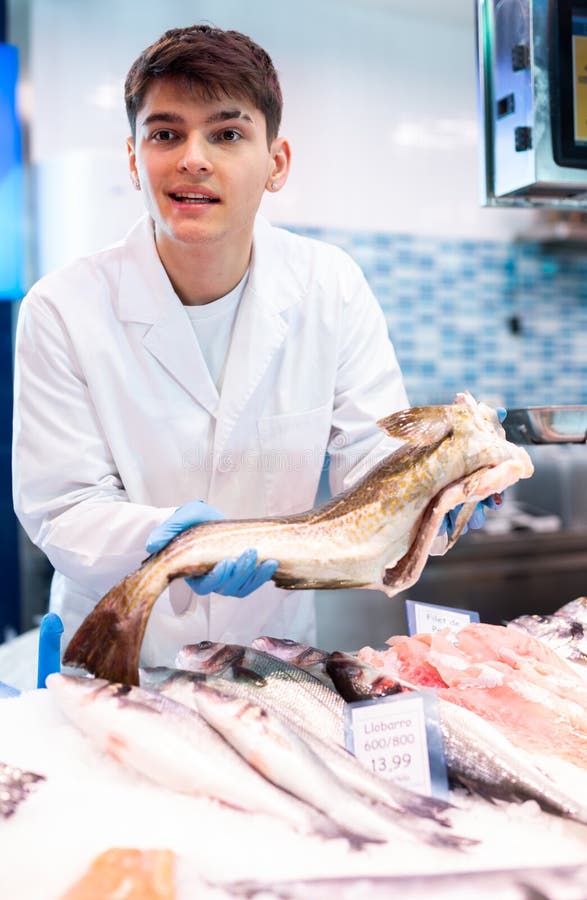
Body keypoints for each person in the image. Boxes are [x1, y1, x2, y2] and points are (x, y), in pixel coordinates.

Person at [12, 24, 500, 666]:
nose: (193, 157)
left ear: (276, 163)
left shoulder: (331, 287)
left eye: (227, 133)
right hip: (121, 647)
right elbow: (63, 504)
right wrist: (157, 538)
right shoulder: (61, 308)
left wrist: (442, 491)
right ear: (134, 159)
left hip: (271, 652)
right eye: (165, 134)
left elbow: (372, 468)